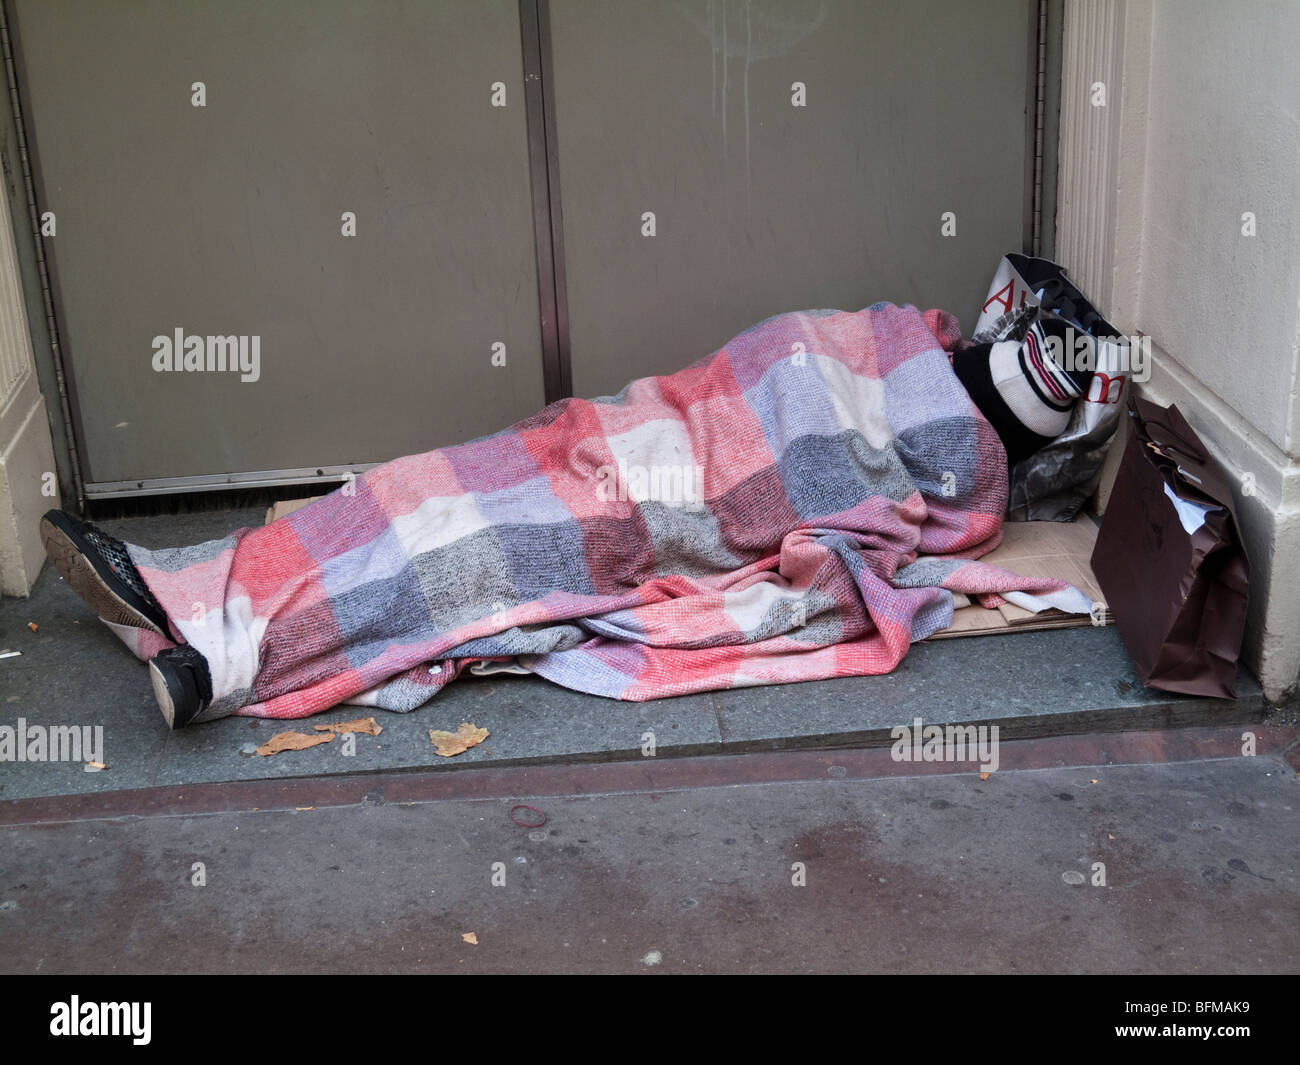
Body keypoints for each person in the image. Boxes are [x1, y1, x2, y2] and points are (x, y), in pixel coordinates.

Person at [41, 302, 1091, 729]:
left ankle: (224, 662)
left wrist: (806, 546)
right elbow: (749, 369)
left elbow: (838, 537)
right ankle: (181, 585)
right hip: (620, 440)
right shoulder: (874, 334)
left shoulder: (950, 474)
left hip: (658, 515)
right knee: (411, 492)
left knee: (463, 566)